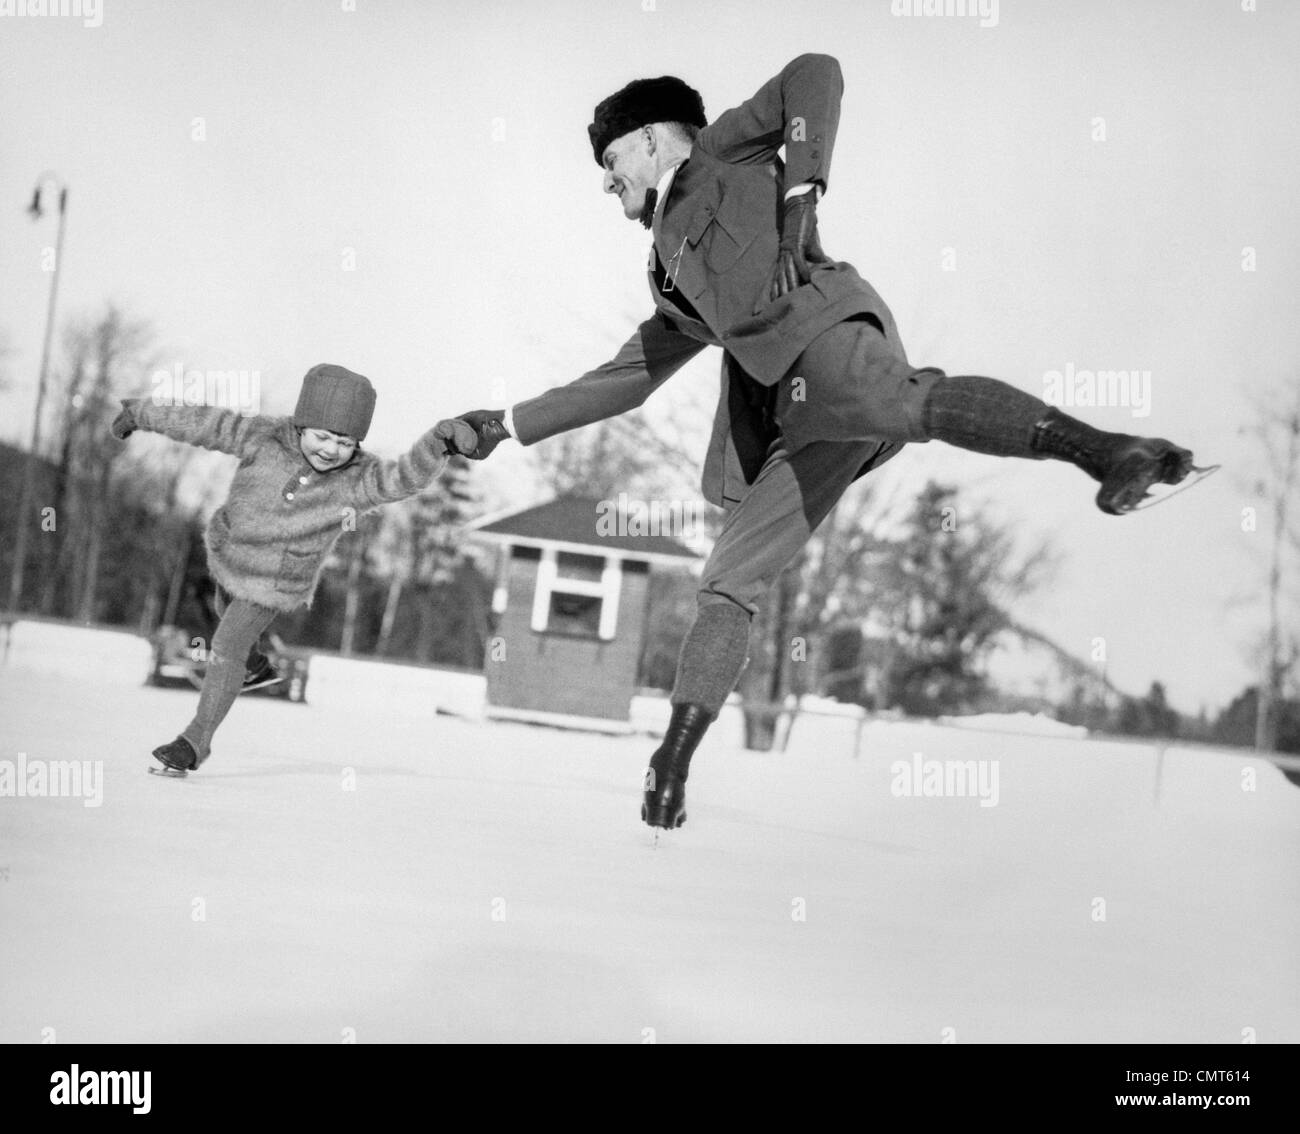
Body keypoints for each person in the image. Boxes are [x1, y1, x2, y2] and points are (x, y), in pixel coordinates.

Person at [439, 54, 1199, 829]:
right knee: (728, 579)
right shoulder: (666, 271)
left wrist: (803, 194)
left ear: (648, 140)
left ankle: (1107, 452)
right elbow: (627, 376)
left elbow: (816, 73)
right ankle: (673, 758)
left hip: (822, 336)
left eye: (609, 161)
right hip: (789, 422)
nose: (606, 183)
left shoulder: (722, 151)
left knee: (910, 401)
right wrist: (507, 424)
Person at [112, 363, 475, 774]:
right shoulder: (262, 435)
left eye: (345, 442)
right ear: (301, 426)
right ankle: (255, 666)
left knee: (226, 646)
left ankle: (195, 742)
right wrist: (142, 413)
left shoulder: (358, 479)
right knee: (223, 613)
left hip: (275, 578)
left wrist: (439, 443)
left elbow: (403, 478)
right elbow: (204, 422)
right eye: (322, 436)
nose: (330, 450)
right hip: (229, 551)